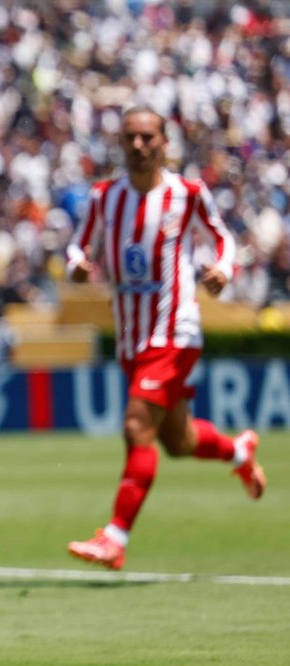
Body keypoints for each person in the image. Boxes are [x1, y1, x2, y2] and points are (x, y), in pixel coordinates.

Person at [65, 106, 268, 570]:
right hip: (132, 338)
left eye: (147, 138)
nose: (138, 146)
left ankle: (115, 537)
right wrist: (78, 263)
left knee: (137, 425)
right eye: (130, 138)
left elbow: (223, 239)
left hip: (176, 329)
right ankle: (239, 450)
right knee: (176, 441)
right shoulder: (103, 197)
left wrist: (223, 269)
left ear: (164, 143)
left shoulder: (187, 193)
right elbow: (79, 244)